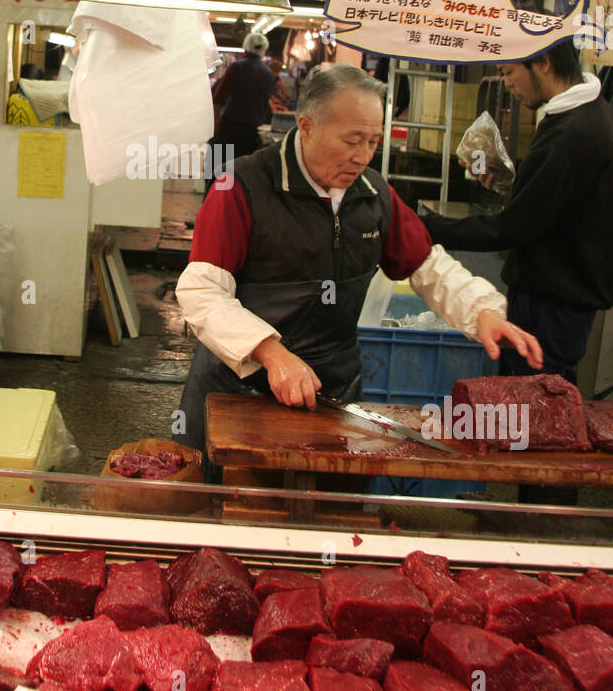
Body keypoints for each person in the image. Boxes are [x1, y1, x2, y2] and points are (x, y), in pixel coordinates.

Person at [176, 64, 542, 467]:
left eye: (373, 141)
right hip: (237, 390)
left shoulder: (373, 194)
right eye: (352, 140)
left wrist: (483, 312)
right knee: (227, 511)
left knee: (330, 510)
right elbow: (201, 291)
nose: (363, 156)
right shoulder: (242, 186)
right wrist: (270, 352)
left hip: (330, 394)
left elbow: (428, 266)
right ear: (307, 126)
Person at [422, 41, 613, 384]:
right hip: (551, 300)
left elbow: (511, 229)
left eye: (510, 72)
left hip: (552, 308)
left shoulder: (574, 132)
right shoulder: (577, 116)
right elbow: (560, 205)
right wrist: (510, 185)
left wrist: (426, 226)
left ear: (542, 61)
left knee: (534, 410)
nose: (508, 83)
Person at [205, 31, 275, 192]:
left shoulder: (236, 67)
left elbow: (219, 98)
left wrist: (215, 126)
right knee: (241, 179)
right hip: (250, 134)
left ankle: (211, 208)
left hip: (229, 130)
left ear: (245, 46)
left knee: (216, 175)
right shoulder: (268, 74)